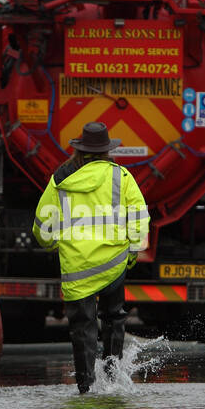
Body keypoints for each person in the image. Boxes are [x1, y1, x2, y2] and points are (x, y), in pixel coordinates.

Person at [32, 122, 150, 393]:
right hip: (114, 262)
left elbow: (42, 225)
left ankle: (86, 387)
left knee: (82, 328)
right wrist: (132, 251)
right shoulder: (122, 177)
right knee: (114, 318)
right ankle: (112, 381)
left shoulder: (60, 180)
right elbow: (140, 219)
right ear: (107, 150)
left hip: (77, 267)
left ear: (80, 150)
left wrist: (53, 245)